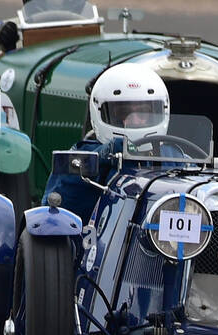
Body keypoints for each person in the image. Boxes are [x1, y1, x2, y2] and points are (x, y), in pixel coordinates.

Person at [43, 62, 170, 222]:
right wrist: (101, 159)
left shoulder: (177, 157)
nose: (135, 121)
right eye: (123, 113)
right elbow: (51, 214)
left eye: (144, 113)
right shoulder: (85, 156)